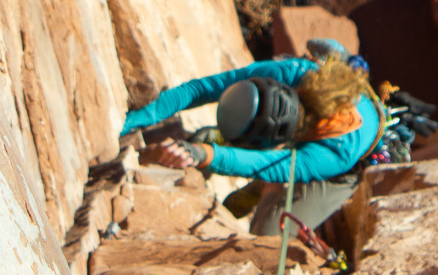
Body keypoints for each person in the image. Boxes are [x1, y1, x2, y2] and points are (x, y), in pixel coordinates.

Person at [121, 49, 387, 236]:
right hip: (302, 124)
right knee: (215, 141)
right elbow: (201, 89)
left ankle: (261, 192)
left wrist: (202, 154)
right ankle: (225, 137)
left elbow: (265, 164)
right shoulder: (295, 72)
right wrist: (131, 121)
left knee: (268, 231)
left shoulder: (334, 154)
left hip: (346, 169)